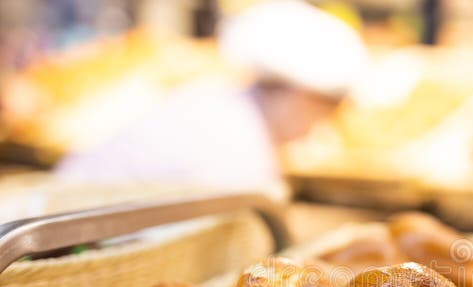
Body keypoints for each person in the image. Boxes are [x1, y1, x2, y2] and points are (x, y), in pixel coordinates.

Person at [56, 0, 368, 200]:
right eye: (326, 110)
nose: (323, 125)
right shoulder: (237, 148)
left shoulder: (223, 104)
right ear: (294, 92)